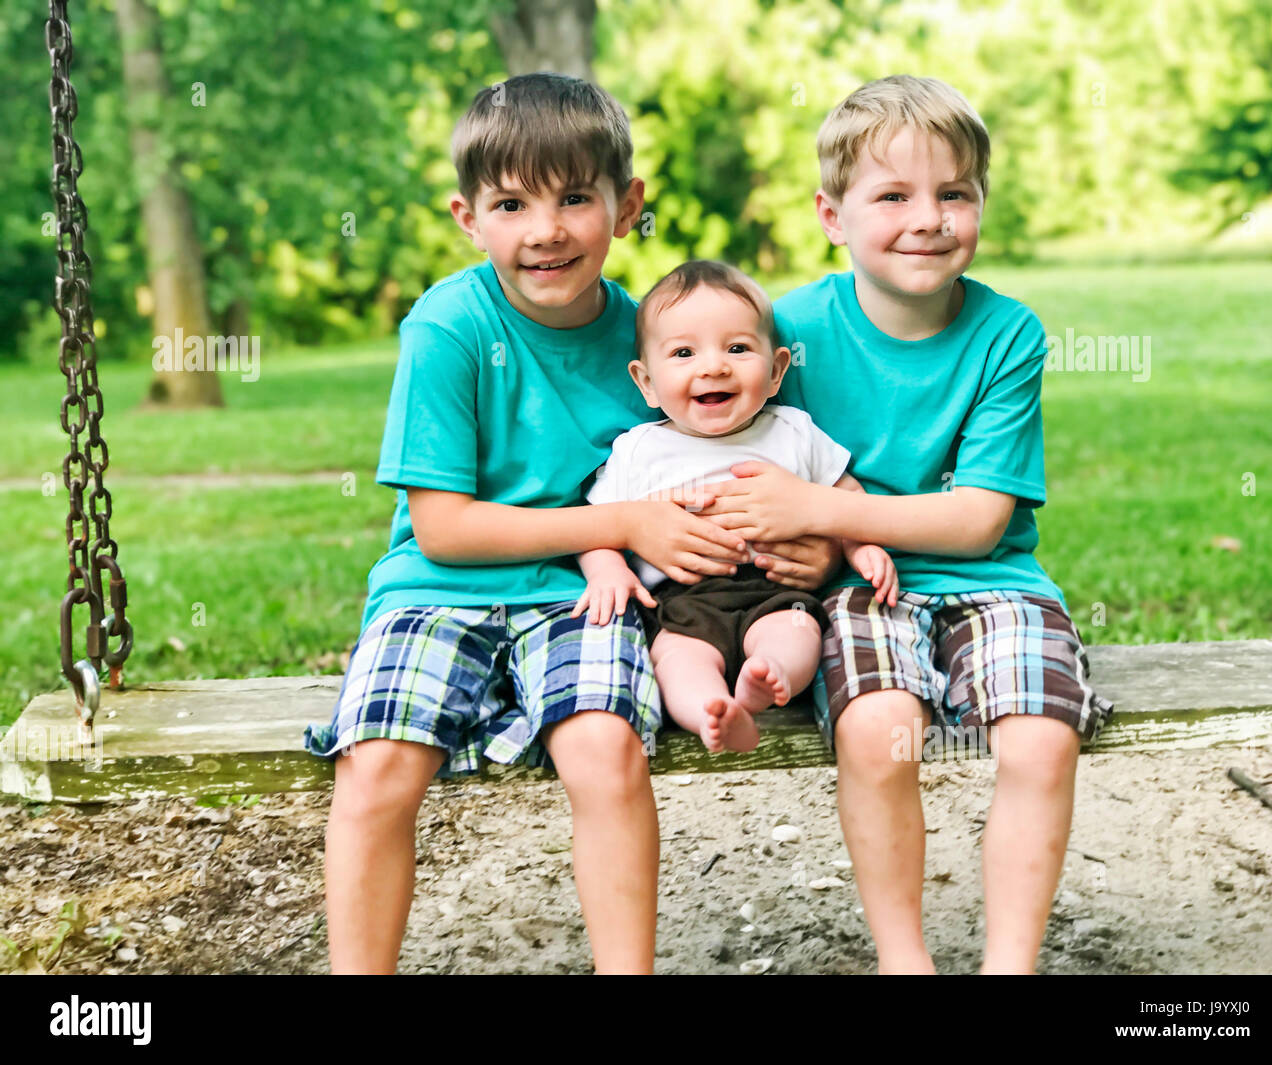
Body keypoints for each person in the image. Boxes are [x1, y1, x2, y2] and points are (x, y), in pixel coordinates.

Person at [302, 73, 840, 974]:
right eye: (511, 202)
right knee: (381, 764)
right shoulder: (448, 327)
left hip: (585, 601)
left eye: (575, 197)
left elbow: (765, 458)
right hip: (436, 594)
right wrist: (629, 521)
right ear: (468, 216)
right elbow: (443, 530)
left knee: (604, 751)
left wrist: (818, 543)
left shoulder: (659, 338)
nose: (545, 229)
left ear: (627, 206)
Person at [699, 75, 1114, 974]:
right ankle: (903, 958)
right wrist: (788, 540)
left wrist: (820, 508)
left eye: (953, 193)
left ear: (979, 205)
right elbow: (729, 462)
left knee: (1042, 736)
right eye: (893, 195)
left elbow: (976, 521)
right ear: (831, 214)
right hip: (859, 592)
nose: (928, 218)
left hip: (992, 581)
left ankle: (1013, 962)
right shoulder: (785, 332)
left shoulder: (1008, 333)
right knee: (876, 730)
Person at [576, 260, 898, 754]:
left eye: (738, 348)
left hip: (774, 591)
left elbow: (844, 495)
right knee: (676, 661)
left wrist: (861, 546)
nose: (713, 366)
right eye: (684, 352)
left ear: (775, 371)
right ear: (646, 382)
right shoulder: (638, 449)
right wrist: (604, 573)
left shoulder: (792, 431)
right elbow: (596, 527)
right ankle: (713, 711)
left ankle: (763, 681)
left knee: (796, 636)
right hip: (682, 604)